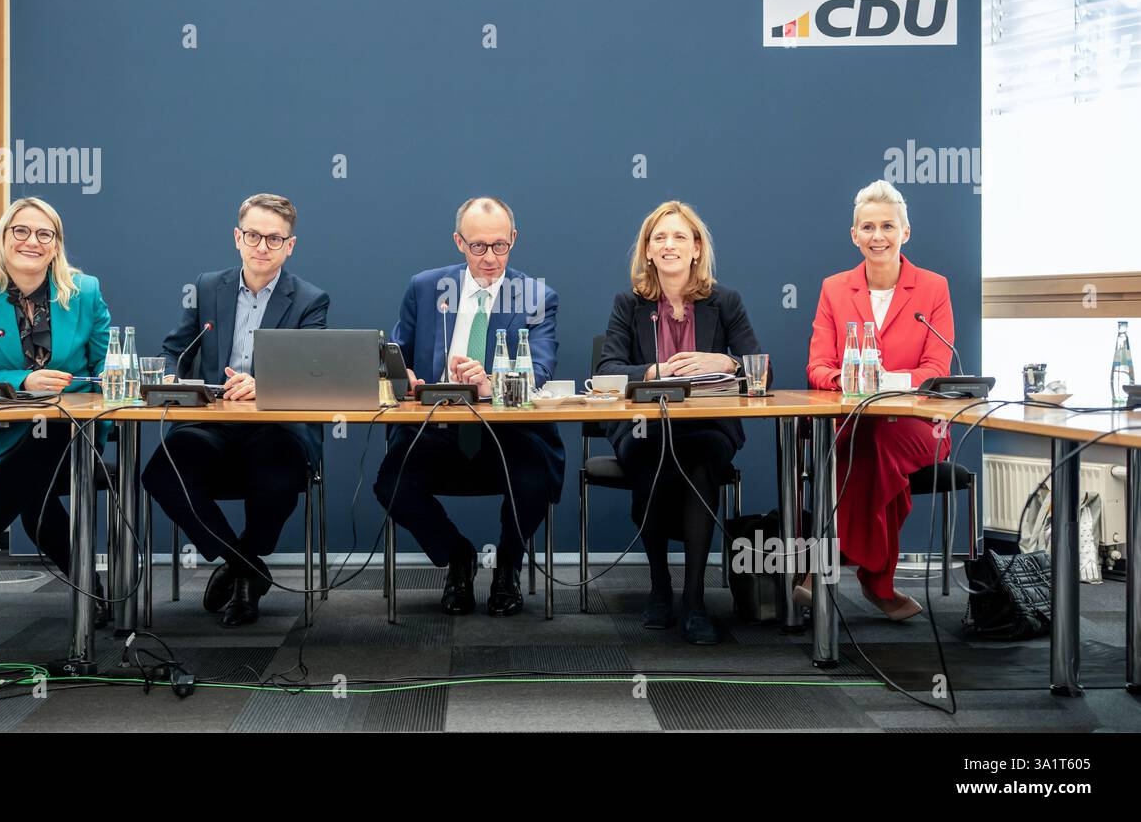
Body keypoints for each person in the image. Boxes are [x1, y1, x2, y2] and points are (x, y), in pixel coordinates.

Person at [141, 194, 329, 627]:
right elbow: (173, 350)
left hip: (275, 426)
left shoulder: (310, 300)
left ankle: (242, 573)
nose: (262, 246)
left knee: (277, 470)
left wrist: (265, 385)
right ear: (237, 238)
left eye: (274, 238)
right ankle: (247, 567)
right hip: (213, 422)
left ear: (290, 245)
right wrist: (170, 376)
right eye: (253, 236)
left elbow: (314, 372)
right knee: (162, 470)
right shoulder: (209, 287)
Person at [373, 197, 564, 617]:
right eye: (478, 246)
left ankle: (508, 567)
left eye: (500, 246)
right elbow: (393, 356)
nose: (490, 258)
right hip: (436, 432)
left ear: (514, 239)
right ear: (460, 243)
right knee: (391, 484)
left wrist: (492, 381)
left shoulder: (535, 296)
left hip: (509, 435)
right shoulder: (425, 287)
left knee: (534, 479)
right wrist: (406, 379)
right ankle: (458, 556)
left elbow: (542, 368)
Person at [0, 197, 112, 626]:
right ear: (3, 237)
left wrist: (81, 393)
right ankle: (97, 596)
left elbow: (104, 371)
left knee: (48, 441)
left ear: (56, 245)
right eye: (21, 231)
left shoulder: (84, 291)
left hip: (72, 435)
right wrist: (23, 381)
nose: (32, 241)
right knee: (36, 496)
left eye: (44, 234)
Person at [597, 200, 763, 645]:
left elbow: (758, 370)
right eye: (659, 238)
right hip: (645, 426)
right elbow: (607, 372)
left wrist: (724, 360)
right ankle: (658, 584)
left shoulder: (725, 302)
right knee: (648, 455)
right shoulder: (628, 305)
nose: (668, 245)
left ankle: (693, 598)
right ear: (647, 251)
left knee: (701, 461)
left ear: (696, 249)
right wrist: (655, 372)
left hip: (709, 425)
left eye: (679, 237)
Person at [804, 179, 955, 621]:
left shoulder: (933, 288)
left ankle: (827, 566)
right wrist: (849, 379)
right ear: (854, 236)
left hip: (920, 426)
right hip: (855, 423)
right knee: (867, 441)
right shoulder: (835, 288)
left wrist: (885, 380)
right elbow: (817, 366)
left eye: (887, 226)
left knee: (878, 443)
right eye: (867, 227)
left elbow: (937, 369)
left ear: (905, 232)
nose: (878, 237)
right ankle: (878, 583)